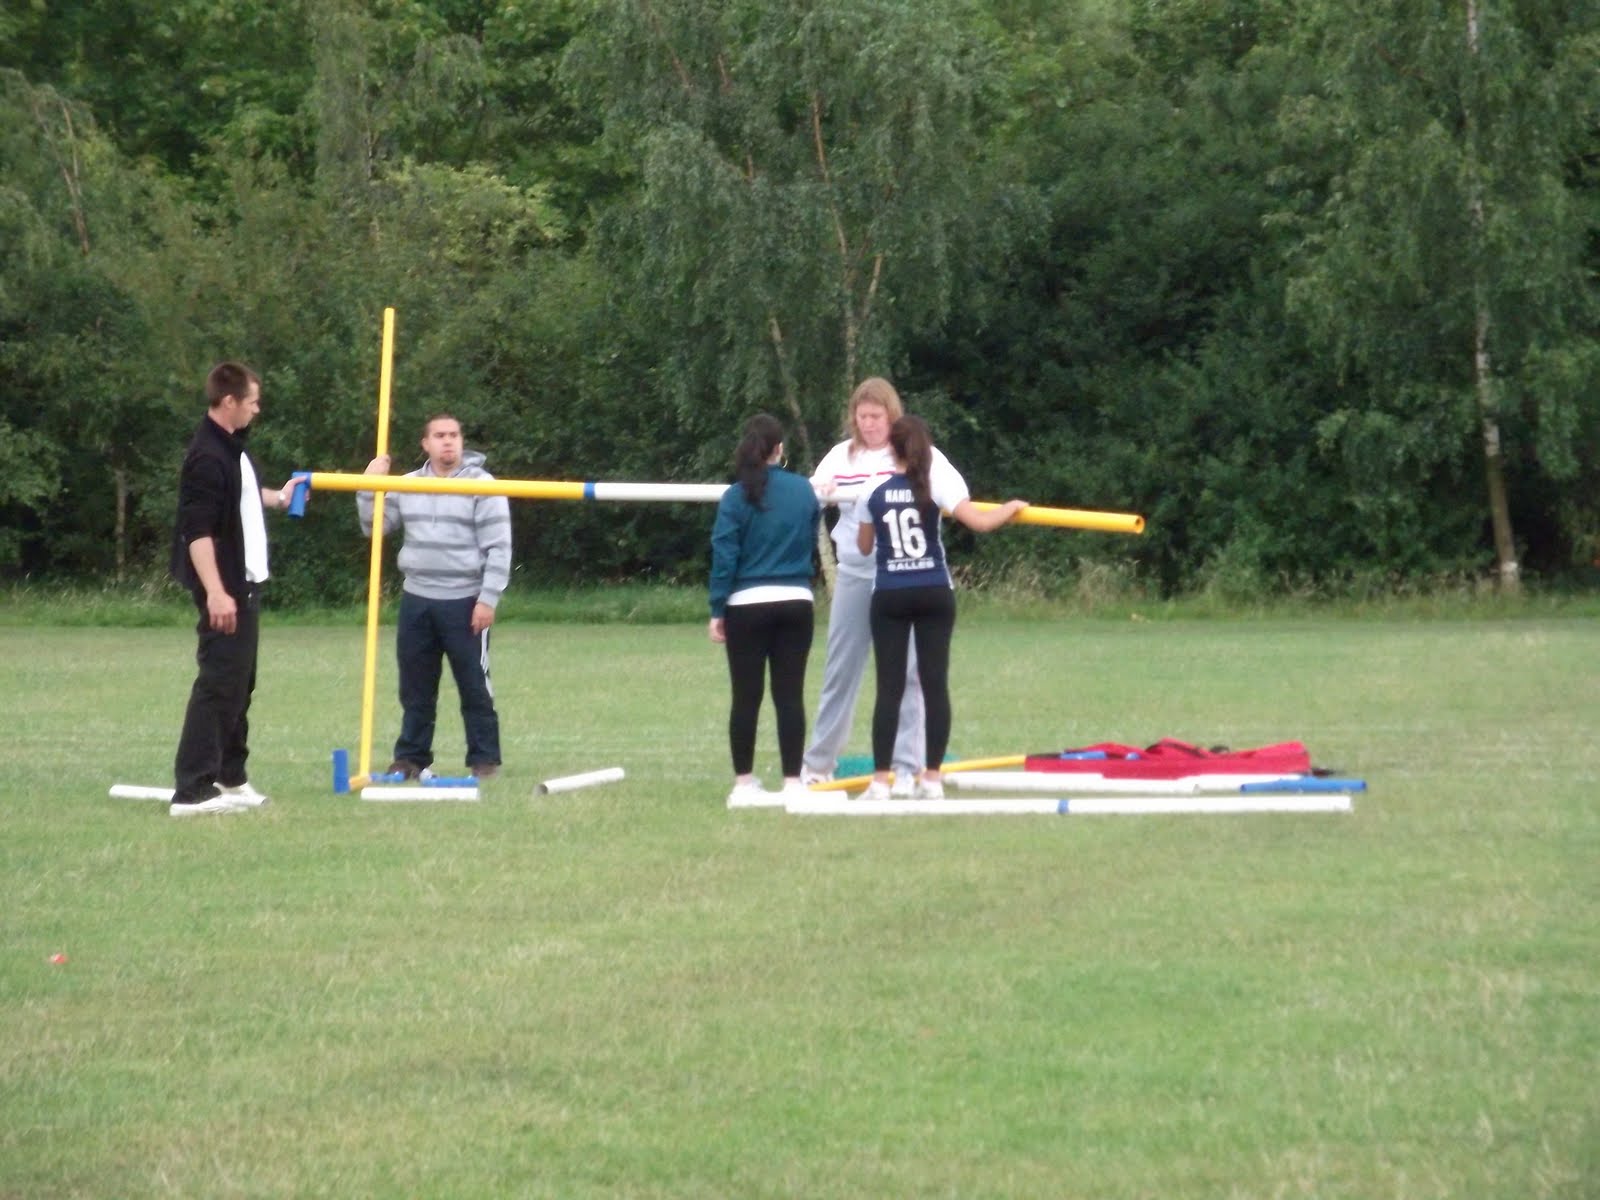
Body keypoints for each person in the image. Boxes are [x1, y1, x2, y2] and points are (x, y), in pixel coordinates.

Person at [855, 415, 1026, 801]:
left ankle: (881, 780)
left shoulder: (872, 487)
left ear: (891, 448)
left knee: (889, 688)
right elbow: (980, 523)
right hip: (934, 588)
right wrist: (1010, 508)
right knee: (935, 684)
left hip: (891, 593)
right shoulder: (936, 481)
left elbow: (864, 547)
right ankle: (931, 777)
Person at [801, 377, 958, 791]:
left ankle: (907, 767)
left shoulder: (922, 457)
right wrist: (822, 492)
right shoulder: (840, 457)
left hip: (902, 577)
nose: (868, 423)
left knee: (907, 675)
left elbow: (956, 497)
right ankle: (817, 764)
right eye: (862, 415)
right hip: (855, 573)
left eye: (876, 416)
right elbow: (809, 502)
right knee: (841, 667)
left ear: (892, 416)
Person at [169, 362, 306, 816]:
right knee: (218, 683)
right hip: (225, 586)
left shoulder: (232, 450)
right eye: (252, 401)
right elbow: (197, 531)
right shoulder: (206, 456)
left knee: (239, 684)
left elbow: (242, 495)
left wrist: (279, 497)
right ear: (229, 401)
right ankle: (192, 789)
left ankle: (231, 777)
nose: (257, 409)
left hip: (244, 583)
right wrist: (215, 592)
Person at [358, 414, 512, 780]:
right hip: (417, 599)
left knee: (474, 684)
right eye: (440, 436)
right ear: (425, 444)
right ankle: (411, 757)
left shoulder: (482, 485)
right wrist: (368, 487)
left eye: (454, 435)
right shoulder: (408, 485)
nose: (448, 442)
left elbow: (500, 546)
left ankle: (484, 758)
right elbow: (375, 528)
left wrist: (488, 599)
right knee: (415, 687)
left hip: (465, 600)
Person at [708, 414, 822, 806]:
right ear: (780, 450)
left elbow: (725, 555)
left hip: (746, 604)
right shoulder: (804, 490)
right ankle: (793, 780)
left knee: (746, 696)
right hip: (795, 599)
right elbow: (810, 541)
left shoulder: (735, 496)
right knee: (789, 695)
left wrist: (716, 607)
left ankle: (744, 780)